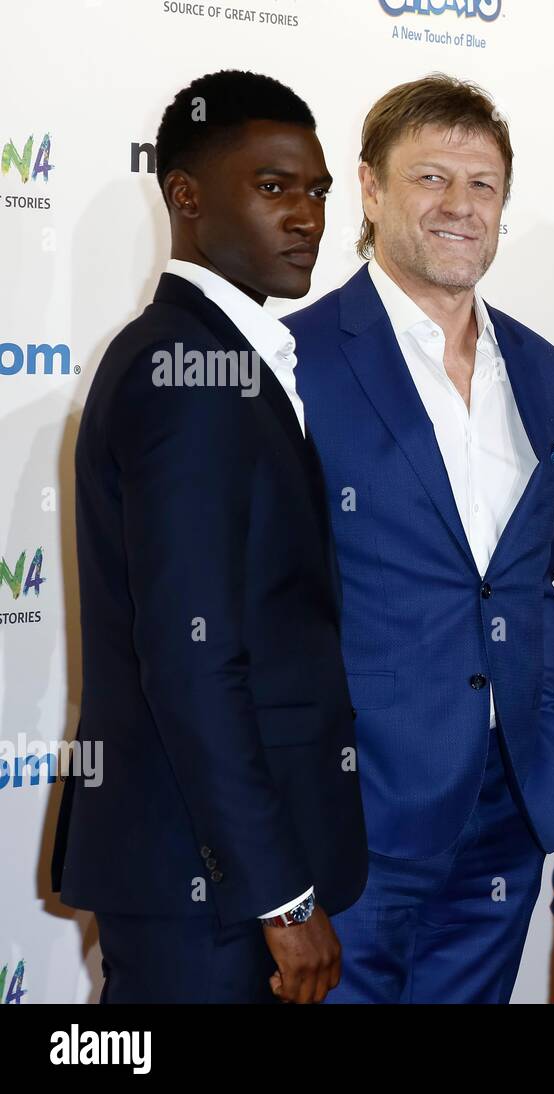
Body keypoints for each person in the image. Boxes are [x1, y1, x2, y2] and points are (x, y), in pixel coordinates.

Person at [50, 70, 368, 1004]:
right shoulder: (190, 371)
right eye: (274, 187)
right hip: (211, 890)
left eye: (316, 191)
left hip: (206, 876)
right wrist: (280, 893)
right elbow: (191, 661)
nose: (306, 216)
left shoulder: (221, 361)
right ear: (185, 197)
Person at [286, 75, 554, 1004]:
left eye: (483, 184)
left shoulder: (544, 371)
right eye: (431, 179)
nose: (461, 206)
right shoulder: (291, 357)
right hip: (356, 808)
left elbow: (528, 578)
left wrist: (538, 724)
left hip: (507, 804)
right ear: (369, 190)